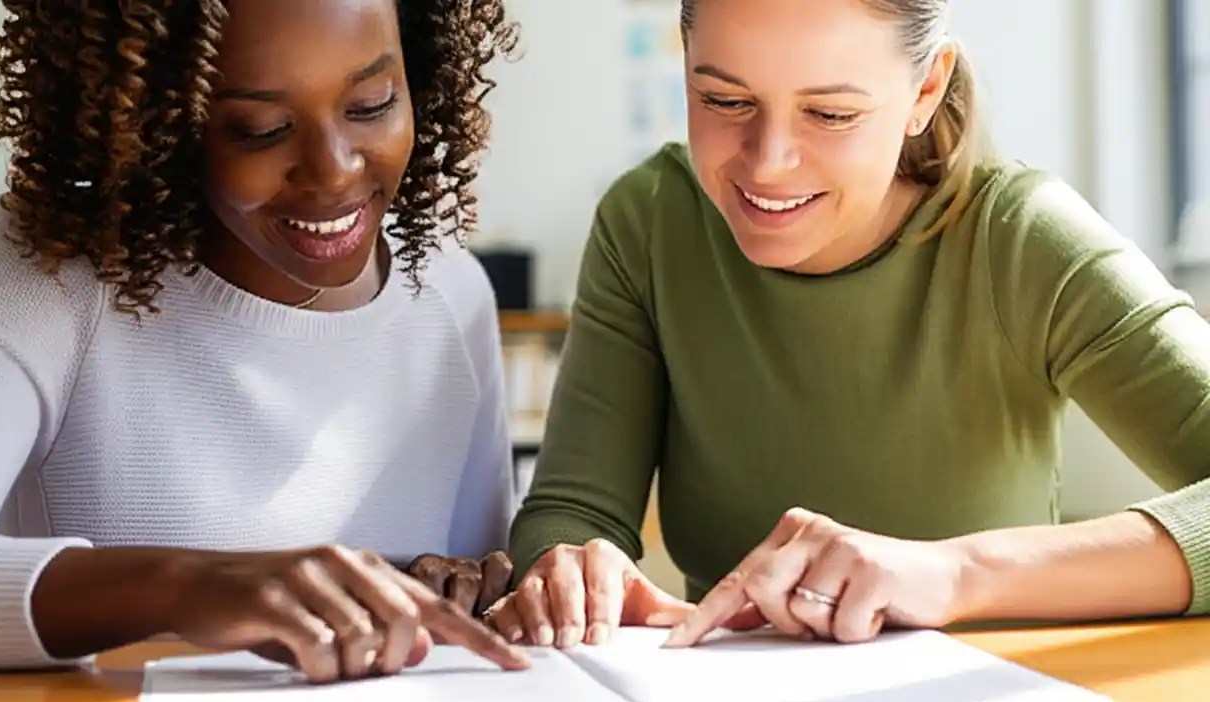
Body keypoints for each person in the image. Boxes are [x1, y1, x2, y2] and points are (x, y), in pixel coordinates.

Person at [488, 0, 1210, 650]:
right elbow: (572, 511)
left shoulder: (1019, 238)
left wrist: (957, 573)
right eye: (723, 99)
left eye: (830, 114)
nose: (767, 163)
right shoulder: (648, 223)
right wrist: (568, 564)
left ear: (925, 89)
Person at [0, 0, 531, 682]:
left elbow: (477, 618)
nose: (333, 170)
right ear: (156, 118)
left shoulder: (453, 293)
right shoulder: (48, 267)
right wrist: (188, 589)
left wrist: (467, 587)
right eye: (261, 129)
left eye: (371, 104)